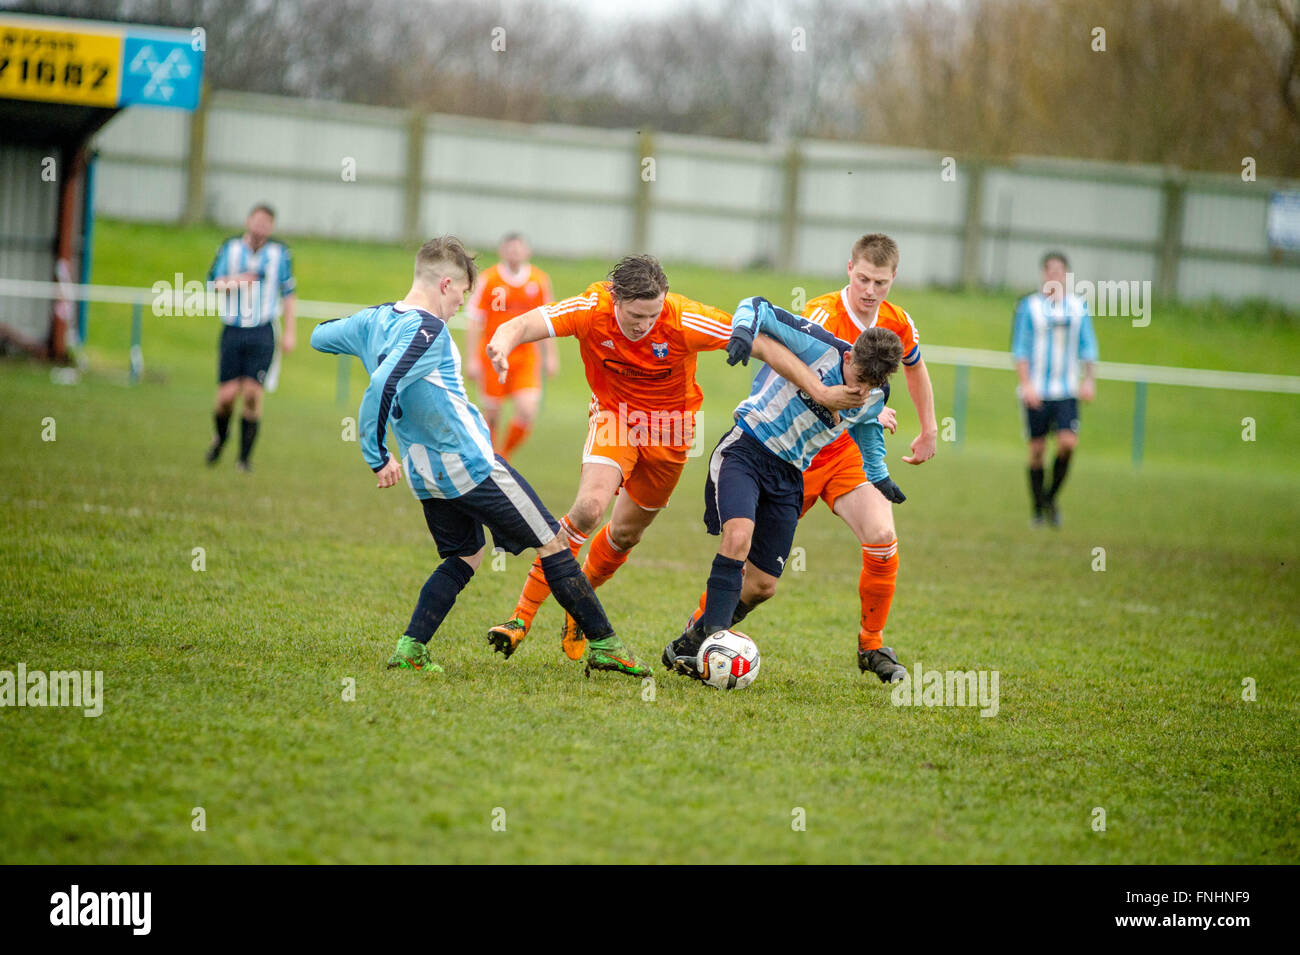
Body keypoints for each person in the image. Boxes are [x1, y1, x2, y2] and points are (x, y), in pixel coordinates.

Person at [310, 235, 649, 677]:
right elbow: (383, 384)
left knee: (464, 555)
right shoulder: (427, 329)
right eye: (463, 295)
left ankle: (411, 647)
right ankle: (605, 645)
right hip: (470, 465)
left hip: (424, 473)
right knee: (554, 542)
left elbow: (320, 336)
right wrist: (375, 455)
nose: (463, 306)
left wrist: (370, 331)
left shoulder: (377, 321)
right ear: (446, 284)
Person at [483, 255, 845, 663]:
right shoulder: (590, 309)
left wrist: (820, 390)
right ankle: (520, 618)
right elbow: (528, 322)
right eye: (637, 315)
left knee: (625, 535)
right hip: (614, 418)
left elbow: (762, 344)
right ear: (615, 298)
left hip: (671, 436)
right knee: (588, 508)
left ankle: (578, 605)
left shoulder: (684, 318)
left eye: (653, 314)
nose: (646, 325)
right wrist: (504, 340)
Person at [679, 233, 929, 682]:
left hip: (839, 450)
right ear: (850, 268)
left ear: (894, 280)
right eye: (865, 278)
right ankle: (699, 633)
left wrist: (922, 430)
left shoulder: (897, 324)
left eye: (882, 282)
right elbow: (767, 341)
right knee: (750, 565)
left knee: (882, 538)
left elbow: (910, 373)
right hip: (785, 447)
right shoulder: (820, 318)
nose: (871, 290)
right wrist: (818, 392)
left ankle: (871, 646)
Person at [205, 203, 296, 472]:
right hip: (233, 329)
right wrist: (237, 281)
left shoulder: (280, 253)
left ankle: (244, 459)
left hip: (263, 329)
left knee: (253, 394)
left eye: (267, 223)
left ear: (271, 228)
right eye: (257, 221)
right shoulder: (230, 248)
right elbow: (213, 283)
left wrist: (290, 332)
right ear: (248, 221)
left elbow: (289, 294)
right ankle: (221, 437)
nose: (261, 227)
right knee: (227, 396)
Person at [1011, 251, 1098, 526]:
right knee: (1037, 450)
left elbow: (1088, 346)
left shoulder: (1077, 307)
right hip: (1037, 389)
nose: (1054, 276)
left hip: (1066, 390)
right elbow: (1020, 349)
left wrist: (1088, 379)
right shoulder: (1029, 307)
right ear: (1043, 274)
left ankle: (1049, 499)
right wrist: (1026, 385)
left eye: (1059, 271)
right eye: (1049, 271)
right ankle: (1038, 509)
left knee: (1067, 443)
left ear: (1066, 275)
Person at [463, 233, 558, 460]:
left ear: (527, 252)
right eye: (510, 249)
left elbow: (548, 319)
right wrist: (472, 359)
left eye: (519, 249)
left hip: (525, 356)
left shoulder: (539, 280)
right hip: (494, 354)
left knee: (527, 409)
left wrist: (551, 356)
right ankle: (488, 458)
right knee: (492, 413)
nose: (514, 253)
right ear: (502, 252)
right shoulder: (489, 279)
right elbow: (475, 320)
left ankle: (503, 457)